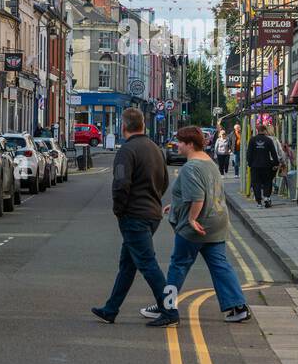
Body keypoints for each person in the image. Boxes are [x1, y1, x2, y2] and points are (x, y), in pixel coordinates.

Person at [140, 127, 250, 323]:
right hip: (217, 222)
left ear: (190, 144)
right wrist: (175, 205)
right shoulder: (209, 162)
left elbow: (198, 198)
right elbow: (206, 192)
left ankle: (166, 307)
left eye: (180, 142)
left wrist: (191, 219)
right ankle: (238, 306)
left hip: (197, 226)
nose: (177, 145)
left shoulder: (191, 167)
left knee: (178, 265)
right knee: (220, 265)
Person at [92, 107, 178, 327]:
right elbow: (165, 181)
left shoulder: (126, 151)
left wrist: (119, 209)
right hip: (152, 213)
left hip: (134, 215)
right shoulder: (155, 149)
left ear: (123, 126)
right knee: (128, 264)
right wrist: (154, 199)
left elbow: (121, 183)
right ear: (143, 125)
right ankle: (111, 309)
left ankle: (170, 311)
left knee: (148, 264)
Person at [246, 123, 281, 208]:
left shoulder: (252, 140)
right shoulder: (268, 140)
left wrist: (250, 164)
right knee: (267, 182)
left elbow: (249, 154)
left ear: (257, 130)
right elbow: (273, 153)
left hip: (255, 166)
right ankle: (266, 197)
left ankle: (259, 202)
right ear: (265, 130)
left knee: (256, 183)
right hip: (266, 165)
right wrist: (276, 163)